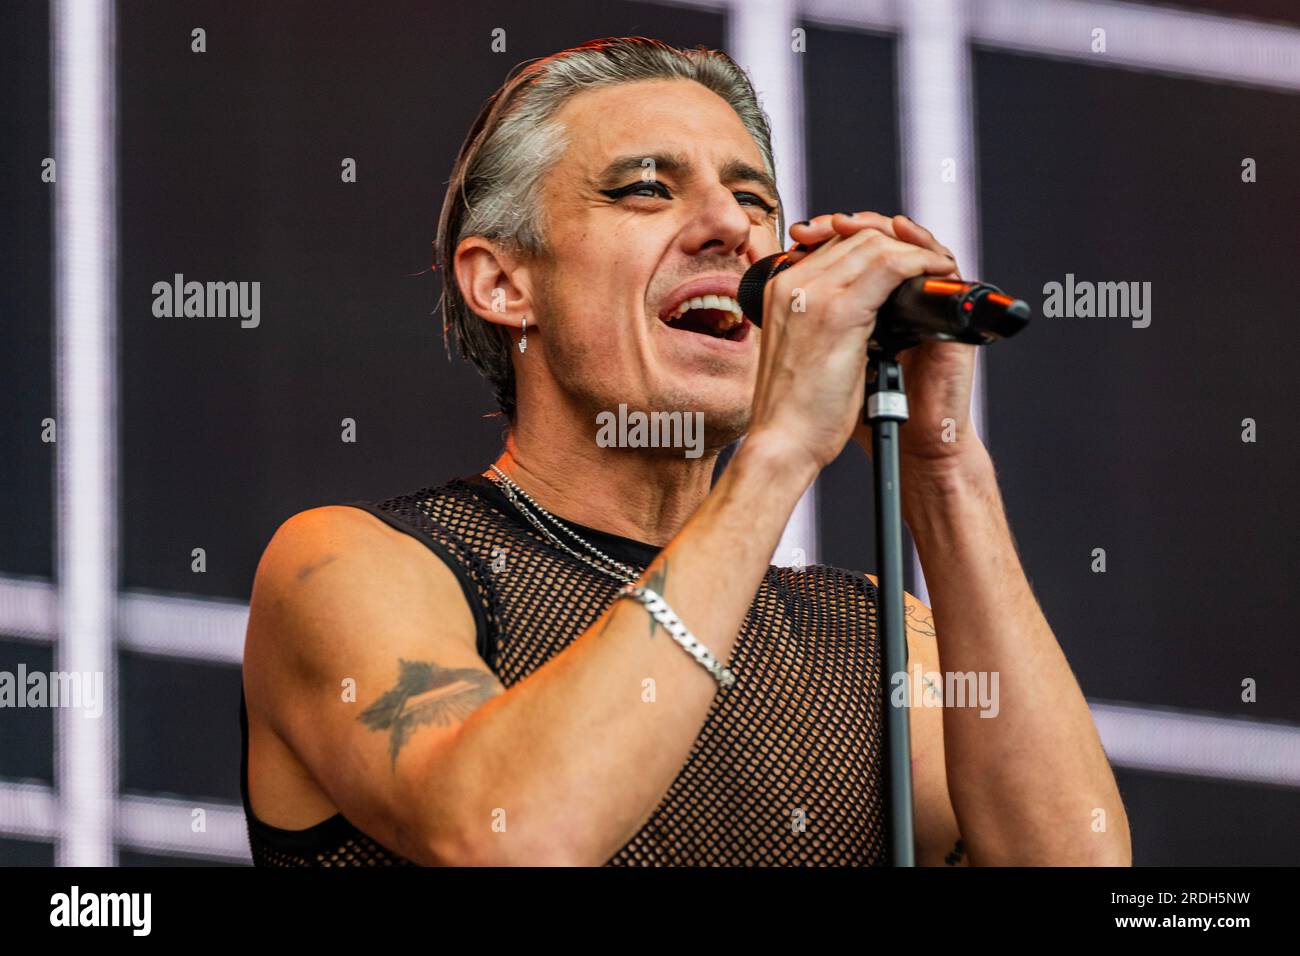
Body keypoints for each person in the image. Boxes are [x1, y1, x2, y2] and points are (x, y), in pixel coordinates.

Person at [240, 36, 1130, 867]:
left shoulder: (874, 636)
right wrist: (779, 452)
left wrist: (942, 469)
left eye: (753, 200)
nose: (730, 228)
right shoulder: (359, 565)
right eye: (644, 189)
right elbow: (515, 837)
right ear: (505, 282)